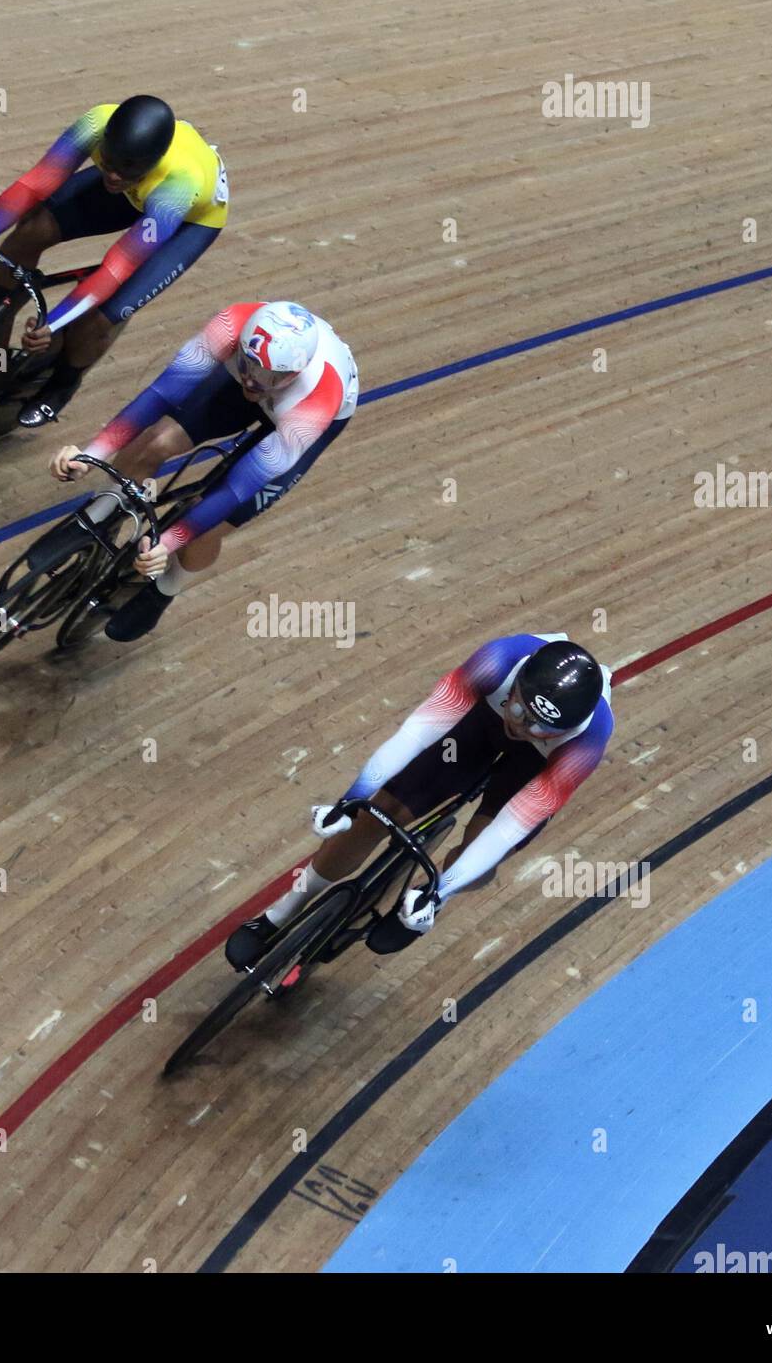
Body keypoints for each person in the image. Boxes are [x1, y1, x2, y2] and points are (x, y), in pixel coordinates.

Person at [226, 635, 614, 966]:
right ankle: (280, 913)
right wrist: (350, 800)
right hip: (479, 725)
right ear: (516, 683)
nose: (522, 726)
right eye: (518, 709)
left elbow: (509, 828)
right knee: (378, 812)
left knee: (478, 853)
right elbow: (413, 735)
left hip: (535, 763)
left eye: (540, 727)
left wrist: (439, 892)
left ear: (566, 729)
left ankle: (425, 903)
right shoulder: (499, 660)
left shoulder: (586, 743)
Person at [49, 300, 358, 642]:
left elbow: (239, 487)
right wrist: (91, 453)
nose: (255, 383)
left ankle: (164, 591)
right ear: (241, 344)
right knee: (156, 441)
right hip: (239, 383)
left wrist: (168, 542)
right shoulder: (230, 326)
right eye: (251, 366)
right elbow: (160, 395)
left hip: (297, 413)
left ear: (295, 373)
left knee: (206, 520)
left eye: (271, 377)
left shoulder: (316, 399)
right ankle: (102, 513)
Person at [0, 96, 229, 424]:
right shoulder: (97, 124)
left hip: (188, 221)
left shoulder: (178, 184)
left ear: (153, 161)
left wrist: (54, 322)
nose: (114, 175)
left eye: (127, 167)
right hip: (139, 192)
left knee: (101, 316)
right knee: (30, 232)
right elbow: (33, 186)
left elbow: (116, 267)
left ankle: (62, 385)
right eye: (109, 160)